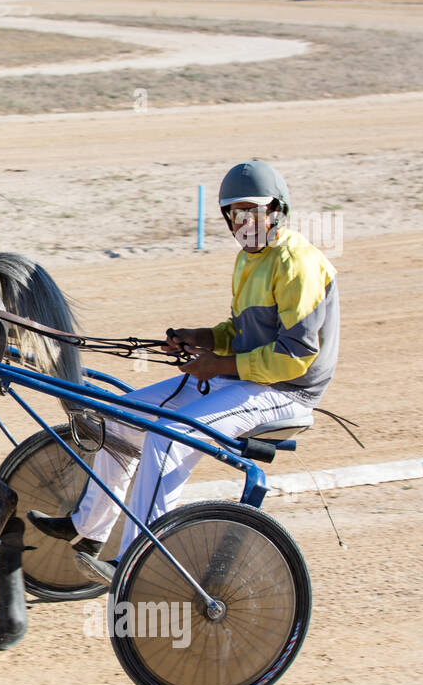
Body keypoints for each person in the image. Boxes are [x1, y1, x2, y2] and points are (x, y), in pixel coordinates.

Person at [28, 160, 340, 583]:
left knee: (168, 435)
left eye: (252, 211)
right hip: (245, 377)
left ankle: (141, 557)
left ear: (277, 210)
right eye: (234, 213)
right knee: (119, 417)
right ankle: (88, 528)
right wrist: (202, 337)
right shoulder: (249, 259)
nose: (242, 221)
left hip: (286, 390)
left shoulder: (296, 263)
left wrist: (220, 364)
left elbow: (296, 354)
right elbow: (242, 332)